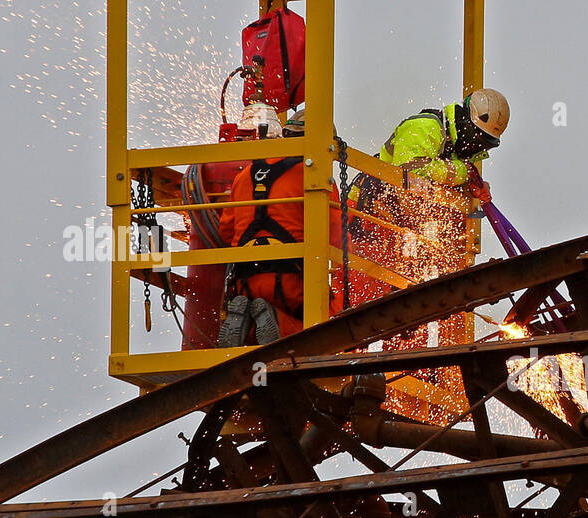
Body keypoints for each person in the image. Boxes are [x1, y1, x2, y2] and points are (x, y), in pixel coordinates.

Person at [347, 88, 510, 307]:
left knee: (411, 303)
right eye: (478, 139)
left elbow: (436, 180)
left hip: (398, 227)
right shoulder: (426, 126)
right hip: (365, 215)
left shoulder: (454, 149)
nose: (477, 148)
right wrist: (463, 173)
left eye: (486, 144)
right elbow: (411, 171)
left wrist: (469, 187)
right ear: (466, 124)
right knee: (361, 300)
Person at [218, 107, 344, 345]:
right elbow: (335, 235)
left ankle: (248, 326)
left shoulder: (244, 175)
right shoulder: (316, 177)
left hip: (244, 281)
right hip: (291, 281)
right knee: (327, 322)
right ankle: (273, 317)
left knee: (259, 324)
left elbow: (226, 231)